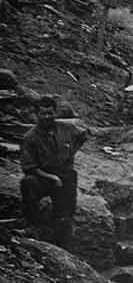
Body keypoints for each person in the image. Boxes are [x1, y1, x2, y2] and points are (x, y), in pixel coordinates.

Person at [19, 95, 88, 232]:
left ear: (55, 113)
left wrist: (71, 152)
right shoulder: (30, 137)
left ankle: (63, 221)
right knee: (28, 182)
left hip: (64, 176)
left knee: (64, 214)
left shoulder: (66, 127)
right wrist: (51, 177)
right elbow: (29, 167)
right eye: (42, 114)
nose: (47, 117)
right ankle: (32, 223)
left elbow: (83, 135)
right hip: (42, 177)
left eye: (50, 113)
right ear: (36, 115)